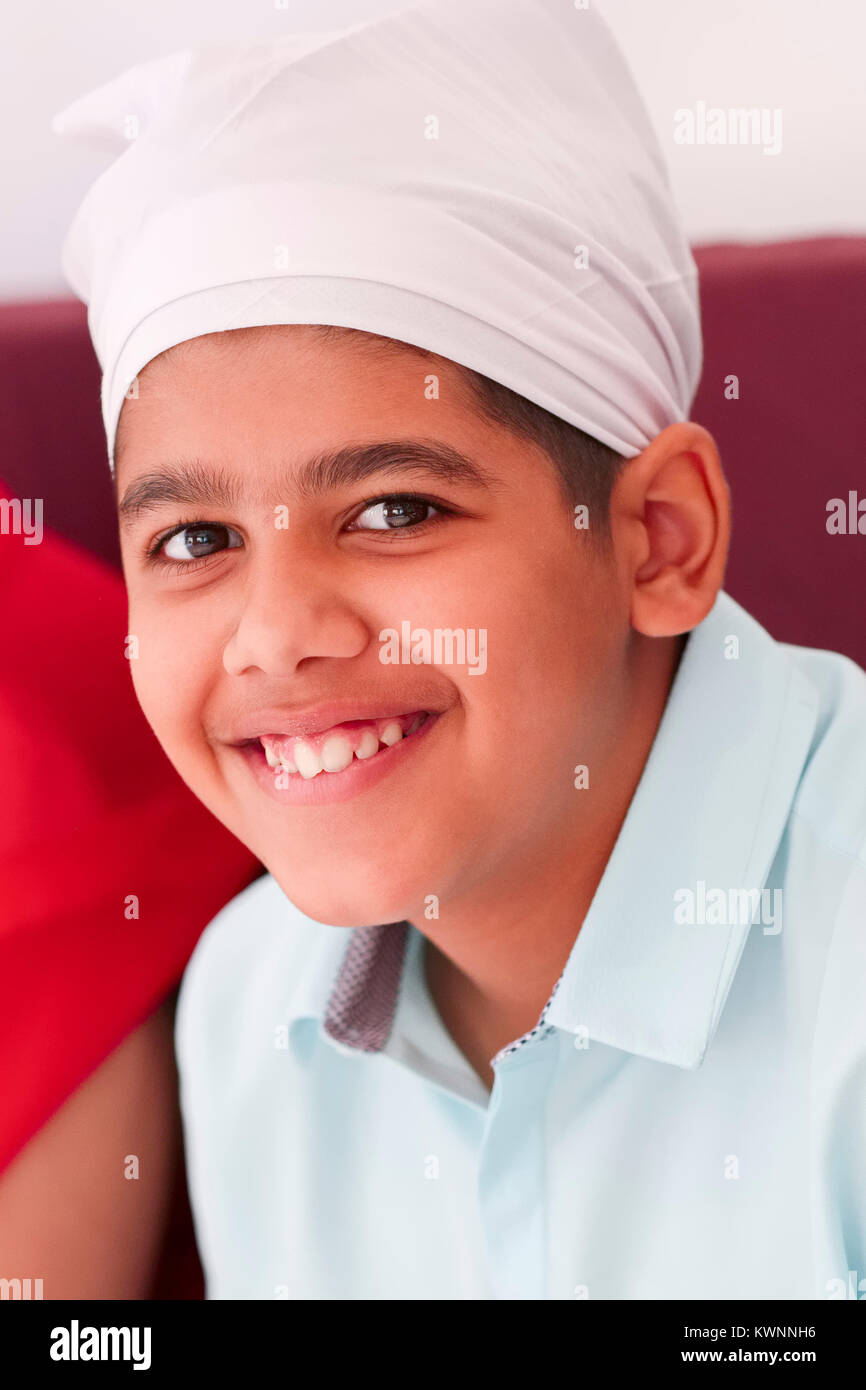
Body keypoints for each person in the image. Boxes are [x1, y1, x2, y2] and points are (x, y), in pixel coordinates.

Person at [53, 1, 866, 1299]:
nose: (275, 634)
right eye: (197, 538)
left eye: (392, 511)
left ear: (657, 537)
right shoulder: (249, 1001)